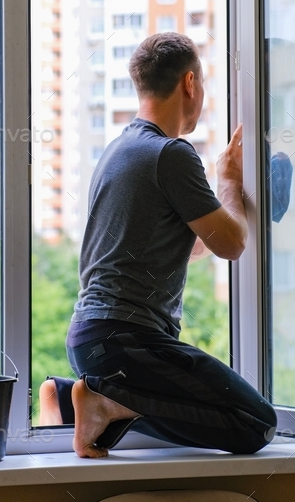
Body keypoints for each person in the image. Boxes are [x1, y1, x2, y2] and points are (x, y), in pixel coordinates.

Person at [39, 32, 277, 458]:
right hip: (125, 341)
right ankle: (102, 402)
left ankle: (65, 397)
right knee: (256, 423)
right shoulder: (170, 153)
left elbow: (195, 245)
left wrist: (227, 206)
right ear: (190, 83)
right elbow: (231, 244)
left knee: (228, 414)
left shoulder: (119, 150)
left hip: (94, 341)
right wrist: (227, 178)